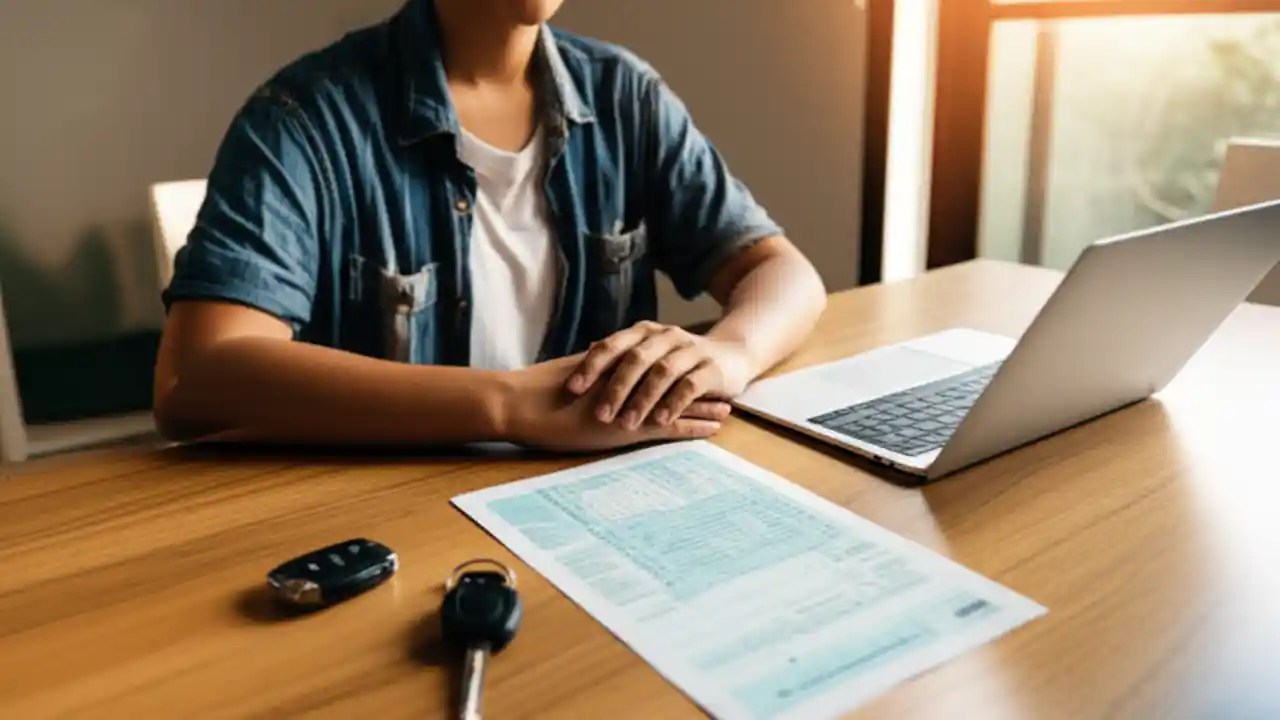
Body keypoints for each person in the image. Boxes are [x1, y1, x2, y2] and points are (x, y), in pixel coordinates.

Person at [154, 0, 826, 451]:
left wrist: (732, 353)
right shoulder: (304, 119)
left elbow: (780, 271)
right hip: (379, 526)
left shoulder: (625, 95)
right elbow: (196, 379)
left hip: (592, 509)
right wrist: (507, 406)